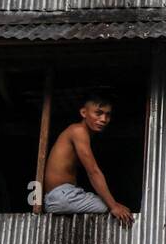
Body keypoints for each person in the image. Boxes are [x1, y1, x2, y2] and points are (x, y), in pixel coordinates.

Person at [43, 95, 134, 225]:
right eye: (98, 113)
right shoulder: (78, 131)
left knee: (116, 206)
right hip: (62, 196)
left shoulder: (80, 134)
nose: (103, 119)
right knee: (112, 207)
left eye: (107, 115)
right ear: (83, 113)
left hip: (60, 196)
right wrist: (113, 206)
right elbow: (93, 172)